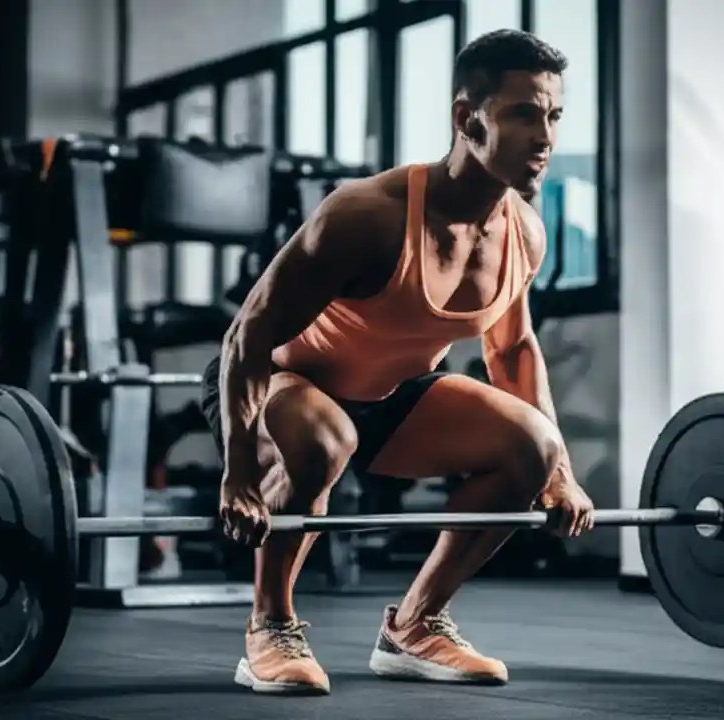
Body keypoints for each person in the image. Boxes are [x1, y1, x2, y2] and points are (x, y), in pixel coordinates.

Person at [200, 29, 594, 696]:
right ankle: (270, 625)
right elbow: (248, 337)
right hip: (280, 386)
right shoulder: (368, 215)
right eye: (523, 113)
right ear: (467, 119)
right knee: (327, 439)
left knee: (531, 445)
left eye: (553, 115)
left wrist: (560, 476)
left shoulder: (524, 230)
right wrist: (239, 472)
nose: (545, 135)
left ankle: (417, 624)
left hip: (389, 399)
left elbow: (514, 351)